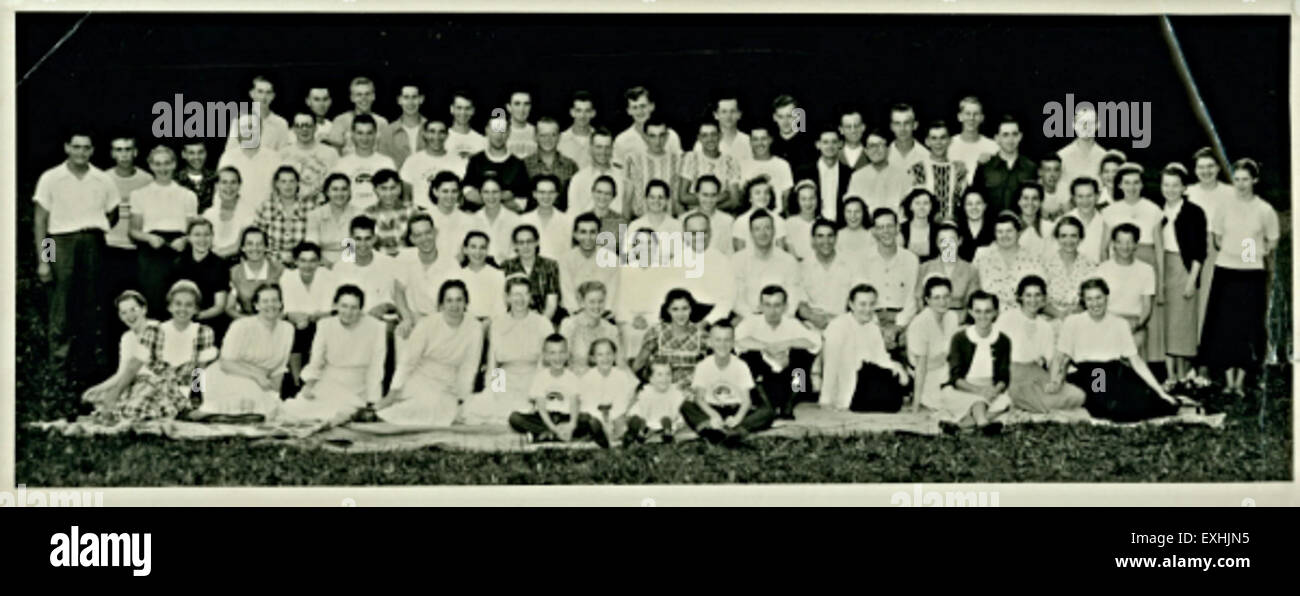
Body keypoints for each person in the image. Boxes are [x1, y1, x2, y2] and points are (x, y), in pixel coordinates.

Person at [1050, 279, 1186, 422]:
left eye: (1098, 298)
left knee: (1156, 402)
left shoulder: (1119, 323)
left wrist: (1160, 391)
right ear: (1083, 301)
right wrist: (1054, 381)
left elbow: (1136, 361)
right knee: (1107, 409)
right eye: (1089, 299)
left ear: (1106, 297)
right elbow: (1059, 357)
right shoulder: (1073, 322)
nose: (1095, 303)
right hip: (1091, 373)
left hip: (1115, 372)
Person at [84, 281, 218, 424]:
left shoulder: (204, 332)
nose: (182, 309)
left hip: (179, 389)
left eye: (189, 305)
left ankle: (170, 412)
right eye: (178, 304)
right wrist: (114, 393)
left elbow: (200, 369)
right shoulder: (155, 331)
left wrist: (197, 399)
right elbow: (133, 367)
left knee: (143, 408)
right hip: (151, 384)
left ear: (196, 309)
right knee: (138, 400)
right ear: (170, 307)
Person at [1200, 158, 1279, 397]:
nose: (1241, 184)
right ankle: (1227, 381)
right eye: (1237, 179)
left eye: (1246, 179)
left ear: (1255, 180)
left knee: (1246, 326)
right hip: (1225, 271)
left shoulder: (1264, 209)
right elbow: (1217, 237)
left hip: (1250, 274)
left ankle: (1241, 381)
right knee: (1225, 326)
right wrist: (1234, 252)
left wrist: (1249, 253)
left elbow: (1272, 240)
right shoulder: (1225, 205)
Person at [376, 280, 485, 427]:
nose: (455, 305)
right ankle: (384, 416)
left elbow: (469, 366)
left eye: (459, 300)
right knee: (429, 404)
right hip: (421, 379)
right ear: (441, 305)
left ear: (466, 302)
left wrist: (462, 397)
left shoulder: (475, 328)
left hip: (449, 385)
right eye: (449, 300)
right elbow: (407, 362)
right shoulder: (427, 324)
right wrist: (393, 392)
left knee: (455, 410)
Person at [280, 284, 387, 425]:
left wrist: (373, 400)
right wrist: (309, 385)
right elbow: (317, 360)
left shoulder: (376, 327)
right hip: (328, 382)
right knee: (297, 410)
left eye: (354, 307)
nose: (348, 312)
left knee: (339, 414)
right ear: (335, 306)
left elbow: (376, 367)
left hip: (356, 387)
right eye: (344, 306)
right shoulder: (325, 325)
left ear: (361, 309)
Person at [461, 276, 554, 425]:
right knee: (482, 407)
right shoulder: (498, 323)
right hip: (506, 381)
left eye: (525, 294)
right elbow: (494, 363)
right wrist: (494, 391)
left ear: (530, 297)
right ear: (507, 298)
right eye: (515, 294)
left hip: (534, 380)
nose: (520, 299)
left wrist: (537, 391)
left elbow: (548, 363)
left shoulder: (543, 323)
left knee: (540, 406)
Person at [196, 282, 293, 417]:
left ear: (281, 304)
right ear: (256, 305)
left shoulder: (288, 329)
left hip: (261, 381)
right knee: (252, 402)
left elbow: (280, 367)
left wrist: (275, 395)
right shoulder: (241, 326)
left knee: (273, 408)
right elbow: (226, 363)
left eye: (275, 300)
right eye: (265, 301)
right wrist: (257, 376)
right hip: (228, 375)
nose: (270, 305)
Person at [1100, 162, 1166, 362]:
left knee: (1148, 314)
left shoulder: (1153, 209)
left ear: (1142, 185)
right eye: (1126, 183)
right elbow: (1103, 247)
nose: (1131, 187)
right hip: (1119, 259)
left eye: (1136, 183)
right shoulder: (1111, 210)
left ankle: (1151, 363)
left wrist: (1161, 282)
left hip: (1146, 260)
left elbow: (1160, 248)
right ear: (1119, 185)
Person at [994, 276, 1086, 413]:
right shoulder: (1007, 318)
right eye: (1028, 295)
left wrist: (1055, 382)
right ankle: (1032, 404)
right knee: (1045, 402)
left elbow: (1051, 360)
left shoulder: (1045, 326)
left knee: (1078, 395)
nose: (1033, 300)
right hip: (1010, 372)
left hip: (1035, 372)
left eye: (1038, 295)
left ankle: (1037, 406)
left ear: (1044, 299)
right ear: (1020, 297)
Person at [128, 145, 199, 319]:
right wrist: (148, 237)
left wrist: (185, 240)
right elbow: (133, 231)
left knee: (180, 301)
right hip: (152, 251)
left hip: (178, 250)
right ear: (150, 166)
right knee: (153, 302)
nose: (163, 168)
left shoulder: (188, 195)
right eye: (158, 164)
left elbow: (193, 231)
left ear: (174, 164)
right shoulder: (139, 194)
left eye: (167, 163)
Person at [819, 284, 910, 412]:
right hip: (848, 386)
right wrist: (825, 400)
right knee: (888, 398)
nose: (867, 309)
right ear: (851, 304)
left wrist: (898, 369)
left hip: (868, 379)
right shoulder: (837, 326)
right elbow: (830, 365)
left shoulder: (873, 328)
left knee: (893, 394)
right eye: (862, 304)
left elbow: (881, 358)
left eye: (871, 304)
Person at [736, 285, 822, 420]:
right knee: (748, 356)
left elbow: (815, 342)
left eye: (777, 305)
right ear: (760, 306)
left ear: (785, 307)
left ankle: (789, 405)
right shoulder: (751, 322)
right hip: (761, 380)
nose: (772, 311)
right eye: (767, 305)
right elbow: (738, 341)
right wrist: (766, 347)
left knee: (802, 355)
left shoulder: (792, 323)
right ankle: (766, 406)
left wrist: (787, 344)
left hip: (788, 381)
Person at [507, 334, 609, 447]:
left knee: (592, 421)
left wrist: (572, 425)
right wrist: (554, 428)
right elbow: (541, 408)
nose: (558, 357)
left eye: (561, 352)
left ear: (567, 355)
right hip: (545, 418)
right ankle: (558, 434)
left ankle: (547, 436)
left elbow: (574, 403)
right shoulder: (540, 378)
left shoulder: (571, 377)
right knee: (515, 417)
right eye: (552, 353)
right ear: (545, 356)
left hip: (566, 417)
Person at [683, 322, 775, 445]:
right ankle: (709, 429)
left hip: (734, 408)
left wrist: (737, 418)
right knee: (685, 405)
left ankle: (736, 431)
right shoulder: (703, 365)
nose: (722, 344)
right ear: (710, 342)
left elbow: (747, 401)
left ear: (733, 343)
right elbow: (699, 399)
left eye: (727, 340)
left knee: (767, 411)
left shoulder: (741, 366)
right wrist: (713, 415)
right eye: (718, 340)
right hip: (712, 408)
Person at [1158, 164, 1208, 384]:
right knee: (1166, 323)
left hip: (1185, 269)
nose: (1170, 189)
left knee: (1183, 323)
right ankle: (1170, 376)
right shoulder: (1157, 211)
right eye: (1166, 185)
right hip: (1163, 266)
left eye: (1175, 185)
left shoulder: (1194, 212)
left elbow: (1200, 251)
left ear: (1184, 187)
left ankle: (1183, 374)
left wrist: (1192, 280)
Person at [936, 291, 1012, 435]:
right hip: (964, 389)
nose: (983, 317)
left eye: (988, 311)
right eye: (978, 311)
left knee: (1005, 402)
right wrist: (980, 392)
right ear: (970, 312)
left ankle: (961, 426)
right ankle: (983, 422)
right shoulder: (960, 338)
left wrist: (994, 391)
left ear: (995, 312)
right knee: (973, 400)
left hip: (990, 388)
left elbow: (1003, 377)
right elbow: (956, 378)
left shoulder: (1003, 340)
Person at [1186, 147, 1234, 342]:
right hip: (1191, 249)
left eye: (1210, 166)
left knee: (1216, 301)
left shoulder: (1230, 192)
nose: (1206, 171)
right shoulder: (1188, 192)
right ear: (1195, 170)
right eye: (1201, 167)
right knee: (1192, 302)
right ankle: (1193, 351)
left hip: (1220, 249)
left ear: (1218, 168)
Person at [82, 291, 157, 408]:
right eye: (124, 312)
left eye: (133, 309)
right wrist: (97, 389)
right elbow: (121, 373)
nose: (129, 316)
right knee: (100, 402)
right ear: (120, 316)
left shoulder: (155, 329)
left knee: (126, 407)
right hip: (133, 384)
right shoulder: (127, 338)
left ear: (144, 309)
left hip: (156, 383)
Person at [858, 208, 920, 343]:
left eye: (890, 226)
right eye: (880, 227)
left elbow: (912, 298)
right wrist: (878, 328)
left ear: (897, 228)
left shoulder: (911, 259)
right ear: (873, 232)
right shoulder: (863, 260)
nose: (885, 231)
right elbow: (860, 299)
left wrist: (898, 326)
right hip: (871, 319)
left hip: (904, 321)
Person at [104, 136, 153, 302]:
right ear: (112, 153)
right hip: (110, 247)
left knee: (137, 298)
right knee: (110, 298)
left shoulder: (147, 180)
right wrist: (46, 260)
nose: (124, 155)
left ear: (135, 152)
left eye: (127, 149)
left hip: (138, 249)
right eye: (119, 150)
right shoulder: (102, 179)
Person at [1095, 224, 1157, 357]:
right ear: (1113, 245)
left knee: (1131, 351)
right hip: (1108, 320)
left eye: (1129, 242)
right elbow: (1097, 303)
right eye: (1120, 242)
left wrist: (1137, 324)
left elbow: (1147, 307)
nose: (1125, 247)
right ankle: (1100, 378)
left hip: (1134, 323)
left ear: (1136, 245)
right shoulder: (1102, 270)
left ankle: (1133, 377)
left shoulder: (1146, 270)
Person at [281, 241, 337, 387]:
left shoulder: (327, 276)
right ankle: (297, 382)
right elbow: (289, 310)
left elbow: (328, 310)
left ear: (319, 262)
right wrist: (302, 317)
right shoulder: (287, 277)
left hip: (321, 320)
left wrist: (314, 316)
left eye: (313, 260)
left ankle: (316, 379)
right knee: (296, 329)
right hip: (298, 322)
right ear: (295, 261)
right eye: (303, 260)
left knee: (320, 329)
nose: (308, 265)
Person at [167, 218, 231, 345]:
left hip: (210, 322)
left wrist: (196, 316)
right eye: (197, 234)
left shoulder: (220, 265)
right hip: (181, 319)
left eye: (207, 234)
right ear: (189, 238)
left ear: (212, 237)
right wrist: (183, 317)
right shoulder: (178, 264)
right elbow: (171, 300)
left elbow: (219, 306)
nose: (202, 239)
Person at [732, 210, 803, 320]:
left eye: (767, 228)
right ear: (751, 233)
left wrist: (782, 319)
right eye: (757, 229)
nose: (763, 233)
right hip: (748, 319)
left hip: (782, 320)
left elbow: (793, 298)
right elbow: (736, 299)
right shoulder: (738, 260)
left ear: (774, 231)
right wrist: (753, 319)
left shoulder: (788, 261)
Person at [632, 288, 709, 388]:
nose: (680, 314)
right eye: (675, 309)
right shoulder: (656, 332)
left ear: (691, 309)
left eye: (685, 308)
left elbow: (709, 368)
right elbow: (638, 365)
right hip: (661, 390)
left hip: (691, 393)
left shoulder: (701, 336)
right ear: (668, 310)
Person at [906, 277, 962, 413]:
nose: (942, 302)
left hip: (948, 369)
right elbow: (920, 368)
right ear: (927, 300)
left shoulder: (952, 317)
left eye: (946, 296)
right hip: (927, 375)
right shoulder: (920, 324)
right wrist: (915, 407)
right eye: (936, 298)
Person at [796, 220, 862, 332]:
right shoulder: (802, 267)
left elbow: (860, 301)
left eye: (830, 236)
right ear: (813, 239)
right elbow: (801, 305)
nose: (825, 241)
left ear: (836, 238)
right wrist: (814, 318)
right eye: (820, 236)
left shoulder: (851, 265)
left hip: (844, 325)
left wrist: (836, 321)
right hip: (813, 325)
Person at [972, 211, 1043, 312]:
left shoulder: (1032, 258)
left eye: (1009, 231)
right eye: (1000, 232)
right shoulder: (982, 255)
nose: (1004, 235)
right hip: (989, 316)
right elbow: (973, 287)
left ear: (1018, 233)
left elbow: (1039, 293)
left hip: (1023, 316)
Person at [218, 121, 283, 225]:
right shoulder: (228, 157)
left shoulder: (274, 158)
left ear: (261, 130)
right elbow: (220, 192)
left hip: (268, 218)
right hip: (236, 219)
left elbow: (281, 191)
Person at [576, 338, 639, 444]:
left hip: (618, 414)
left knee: (633, 410)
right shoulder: (587, 378)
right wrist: (604, 419)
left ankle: (629, 432)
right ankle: (599, 433)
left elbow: (624, 399)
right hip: (597, 413)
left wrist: (616, 417)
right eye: (600, 355)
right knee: (587, 418)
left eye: (608, 354)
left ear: (614, 356)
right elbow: (588, 403)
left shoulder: (621, 376)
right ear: (593, 358)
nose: (605, 358)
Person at [678, 212, 737, 325]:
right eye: (693, 233)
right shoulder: (675, 263)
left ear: (710, 233)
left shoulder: (723, 262)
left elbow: (727, 301)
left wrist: (707, 322)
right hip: (684, 319)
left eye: (703, 232)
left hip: (716, 318)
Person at [328, 114, 397, 210]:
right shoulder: (341, 164)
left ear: (376, 135)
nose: (365, 138)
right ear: (352, 135)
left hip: (379, 215)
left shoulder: (387, 163)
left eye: (369, 133)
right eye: (360, 133)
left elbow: (394, 195)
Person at [972, 115, 1037, 216]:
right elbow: (974, 199)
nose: (1011, 140)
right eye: (1005, 135)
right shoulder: (985, 167)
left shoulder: (1031, 168)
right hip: (991, 228)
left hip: (1021, 227)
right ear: (997, 138)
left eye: (1014, 134)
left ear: (1020, 136)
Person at [558, 213, 620, 315]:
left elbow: (612, 296)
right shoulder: (566, 260)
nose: (588, 237)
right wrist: (581, 315)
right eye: (583, 232)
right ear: (575, 235)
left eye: (592, 232)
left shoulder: (612, 259)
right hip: (574, 315)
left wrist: (600, 314)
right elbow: (568, 295)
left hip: (603, 315)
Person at [400, 119, 469, 208]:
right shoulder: (412, 161)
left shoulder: (458, 161)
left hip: (449, 214)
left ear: (447, 135)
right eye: (432, 132)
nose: (436, 136)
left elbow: (461, 198)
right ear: (424, 134)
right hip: (422, 215)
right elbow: (406, 198)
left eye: (441, 132)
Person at [1040, 215, 1098, 321]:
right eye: (1064, 236)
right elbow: (1038, 298)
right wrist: (1059, 314)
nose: (1069, 240)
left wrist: (1076, 312)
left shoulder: (1091, 266)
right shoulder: (1044, 264)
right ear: (1057, 238)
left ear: (1080, 238)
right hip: (1049, 319)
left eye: (1073, 236)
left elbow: (1092, 298)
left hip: (1081, 320)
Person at [680, 121, 744, 214]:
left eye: (713, 134)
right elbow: (683, 197)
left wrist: (708, 208)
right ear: (699, 138)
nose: (710, 139)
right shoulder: (691, 158)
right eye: (705, 135)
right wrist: (722, 197)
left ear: (720, 136)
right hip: (694, 216)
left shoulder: (730, 161)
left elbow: (735, 201)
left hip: (721, 216)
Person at [501, 224, 561, 322]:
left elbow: (551, 303)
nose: (525, 246)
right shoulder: (506, 266)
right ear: (515, 245)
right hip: (514, 318)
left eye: (529, 241)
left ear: (537, 242)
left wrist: (540, 323)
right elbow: (504, 300)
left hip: (544, 318)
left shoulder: (550, 266)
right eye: (521, 242)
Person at [910, 120, 969, 220]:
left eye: (943, 138)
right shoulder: (917, 169)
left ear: (950, 141)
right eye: (934, 138)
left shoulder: (959, 170)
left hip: (953, 227)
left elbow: (964, 203)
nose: (938, 143)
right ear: (927, 141)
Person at [559, 280, 621, 376]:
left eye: (600, 301)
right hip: (576, 382)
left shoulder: (611, 329)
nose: (597, 306)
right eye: (592, 302)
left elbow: (620, 364)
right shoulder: (569, 325)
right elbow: (560, 361)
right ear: (582, 303)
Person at [915, 222, 978, 315]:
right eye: (942, 241)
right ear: (937, 243)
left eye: (951, 240)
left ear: (959, 241)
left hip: (959, 322)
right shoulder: (925, 268)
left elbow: (972, 304)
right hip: (930, 320)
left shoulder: (970, 270)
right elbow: (918, 300)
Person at [848, 129, 913, 218]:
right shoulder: (857, 177)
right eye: (871, 146)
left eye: (879, 145)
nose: (875, 150)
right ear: (865, 151)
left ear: (888, 149)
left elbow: (908, 210)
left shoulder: (903, 176)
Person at [254, 165, 312, 264]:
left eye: (291, 181)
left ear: (298, 183)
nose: (288, 186)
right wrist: (277, 257)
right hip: (271, 263)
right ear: (277, 184)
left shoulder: (310, 207)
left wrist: (296, 256)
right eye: (283, 181)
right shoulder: (265, 207)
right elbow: (257, 241)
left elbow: (314, 241)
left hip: (303, 264)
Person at [793, 129, 854, 224]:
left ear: (840, 144)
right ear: (818, 145)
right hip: (810, 225)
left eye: (834, 142)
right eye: (825, 142)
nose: (830, 146)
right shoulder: (803, 172)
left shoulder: (849, 174)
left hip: (841, 227)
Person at [568, 127, 632, 217]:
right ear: (590, 148)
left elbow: (625, 217)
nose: (603, 152)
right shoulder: (578, 179)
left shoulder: (622, 178)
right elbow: (573, 215)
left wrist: (622, 231)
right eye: (599, 147)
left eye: (607, 147)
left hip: (615, 229)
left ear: (612, 149)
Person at [225, 226, 285, 320]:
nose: (255, 248)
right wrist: (250, 322)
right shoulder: (235, 272)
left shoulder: (279, 270)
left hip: (275, 322)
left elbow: (287, 306)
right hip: (246, 322)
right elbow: (230, 308)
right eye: (250, 244)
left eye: (259, 244)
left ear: (266, 247)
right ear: (243, 248)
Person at [279, 111, 340, 203]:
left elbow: (338, 184)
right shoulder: (283, 154)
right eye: (299, 126)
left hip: (322, 206)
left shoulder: (331, 153)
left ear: (315, 127)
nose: (304, 129)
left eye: (308, 125)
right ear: (293, 129)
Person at [614, 86, 684, 166]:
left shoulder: (671, 136)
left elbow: (680, 167)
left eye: (643, 106)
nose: (639, 111)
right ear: (629, 111)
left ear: (652, 106)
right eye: (634, 107)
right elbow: (618, 173)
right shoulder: (622, 140)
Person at [305, 173, 364, 265]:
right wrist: (328, 265)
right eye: (335, 189)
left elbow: (358, 245)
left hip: (351, 263)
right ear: (327, 192)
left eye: (344, 189)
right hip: (321, 264)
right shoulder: (315, 215)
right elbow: (312, 246)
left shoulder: (358, 214)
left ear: (349, 192)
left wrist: (344, 267)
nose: (339, 193)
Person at [624, 359, 687, 445]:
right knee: (638, 419)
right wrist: (635, 415)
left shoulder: (675, 391)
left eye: (668, 374)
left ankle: (667, 433)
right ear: (651, 379)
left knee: (666, 419)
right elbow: (640, 407)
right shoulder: (646, 391)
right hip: (648, 420)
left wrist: (679, 420)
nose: (664, 378)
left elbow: (680, 407)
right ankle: (637, 433)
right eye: (659, 375)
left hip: (666, 420)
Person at [222, 75, 291, 153]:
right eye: (260, 92)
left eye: (268, 92)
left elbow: (283, 155)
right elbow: (230, 152)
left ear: (273, 96)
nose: (264, 97)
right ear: (252, 94)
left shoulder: (281, 124)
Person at [426, 171, 483, 262]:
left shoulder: (470, 221)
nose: (450, 196)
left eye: (454, 191)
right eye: (445, 191)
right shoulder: (425, 218)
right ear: (435, 192)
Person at [325, 77, 390, 155]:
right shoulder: (340, 121)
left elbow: (385, 153)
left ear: (373, 96)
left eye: (367, 94)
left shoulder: (382, 123)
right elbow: (334, 154)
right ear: (352, 98)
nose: (364, 98)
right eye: (359, 95)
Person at [363, 169, 420, 257]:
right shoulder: (367, 214)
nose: (388, 193)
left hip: (407, 262)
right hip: (378, 264)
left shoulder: (411, 211)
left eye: (393, 188)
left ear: (399, 188)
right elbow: (351, 243)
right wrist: (348, 263)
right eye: (383, 188)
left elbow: (421, 241)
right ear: (375, 189)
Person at [451, 231, 506, 321]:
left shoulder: (498, 275)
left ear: (487, 250)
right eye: (473, 247)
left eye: (482, 248)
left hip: (492, 324)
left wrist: (487, 324)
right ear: (465, 250)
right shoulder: (456, 276)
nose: (478, 252)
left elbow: (500, 308)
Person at [202, 166, 255, 260]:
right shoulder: (208, 214)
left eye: (233, 182)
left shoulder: (250, 212)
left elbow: (239, 247)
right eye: (224, 182)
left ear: (239, 185)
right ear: (217, 186)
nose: (229, 187)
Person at [523, 117, 579, 202]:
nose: (548, 139)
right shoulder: (524, 165)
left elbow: (576, 198)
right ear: (535, 137)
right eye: (543, 135)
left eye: (553, 135)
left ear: (559, 137)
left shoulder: (571, 166)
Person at [518, 175, 573, 261]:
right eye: (542, 192)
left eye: (551, 192)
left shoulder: (567, 221)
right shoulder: (523, 220)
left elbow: (569, 252)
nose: (546, 196)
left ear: (556, 194)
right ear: (534, 194)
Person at [470, 175, 523, 263]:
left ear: (501, 193)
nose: (491, 196)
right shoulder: (472, 220)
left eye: (495, 192)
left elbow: (519, 252)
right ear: (480, 194)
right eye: (486, 192)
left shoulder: (515, 220)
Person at [375, 84, 427, 170]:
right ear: (399, 100)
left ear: (421, 99)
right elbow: (383, 164)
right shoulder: (388, 132)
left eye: (414, 97)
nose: (410, 102)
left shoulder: (432, 130)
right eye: (406, 97)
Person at [1055, 105, 1107, 192]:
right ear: (1073, 125)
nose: (1085, 126)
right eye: (1081, 122)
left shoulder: (1105, 157)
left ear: (1098, 125)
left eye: (1090, 123)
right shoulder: (1061, 156)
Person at [949, 96, 999, 185]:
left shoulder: (993, 147)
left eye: (976, 114)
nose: (971, 118)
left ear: (982, 118)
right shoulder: (948, 145)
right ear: (960, 117)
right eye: (967, 113)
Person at [740, 125, 795, 206]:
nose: (760, 143)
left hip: (776, 215)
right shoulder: (742, 165)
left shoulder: (782, 165)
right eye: (755, 139)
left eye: (764, 139)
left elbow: (786, 199)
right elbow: (740, 197)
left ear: (770, 140)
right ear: (750, 142)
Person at [625, 179, 680, 261]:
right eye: (652, 197)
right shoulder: (634, 226)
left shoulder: (677, 226)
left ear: (667, 200)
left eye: (661, 197)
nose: (656, 201)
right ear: (646, 199)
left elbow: (681, 257)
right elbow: (629, 257)